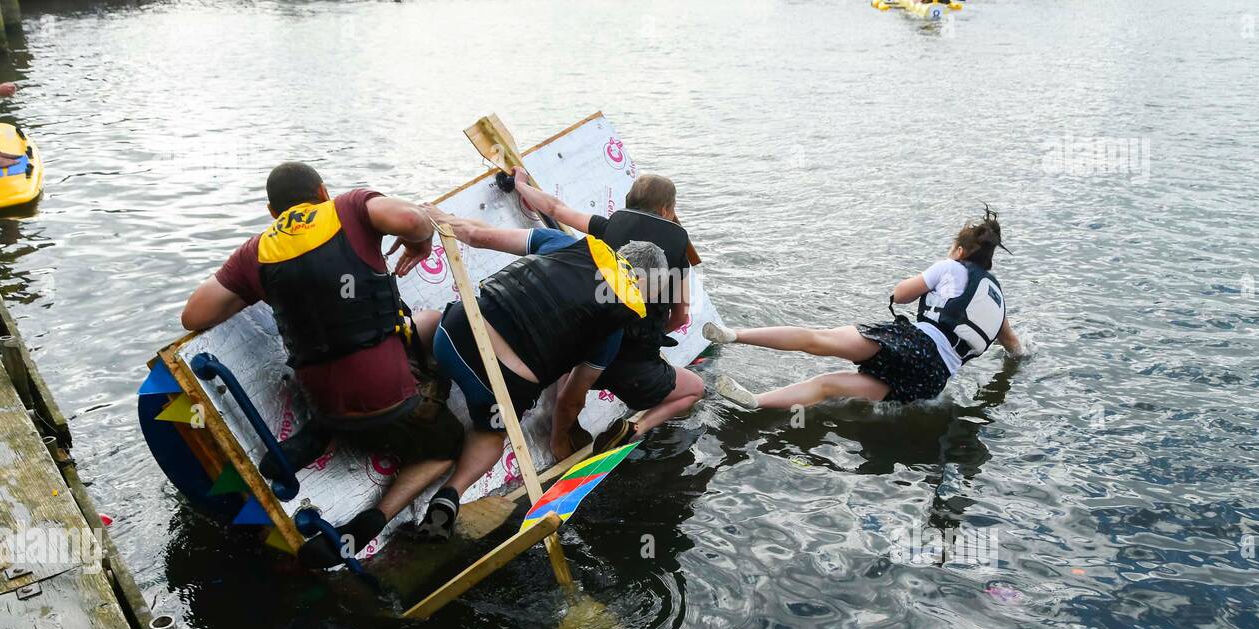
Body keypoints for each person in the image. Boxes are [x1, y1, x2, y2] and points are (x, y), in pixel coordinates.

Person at [179, 163, 473, 567]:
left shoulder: (256, 251)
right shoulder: (348, 207)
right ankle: (377, 516)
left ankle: (323, 430)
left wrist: (252, 287)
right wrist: (420, 244)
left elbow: (194, 315)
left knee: (357, 347)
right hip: (391, 405)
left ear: (271, 212)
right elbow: (410, 219)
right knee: (447, 443)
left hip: (327, 403)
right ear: (322, 190)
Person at [428, 218, 663, 510]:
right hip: (500, 389)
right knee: (491, 436)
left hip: (456, 336)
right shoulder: (613, 328)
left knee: (431, 320)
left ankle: (404, 361)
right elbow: (570, 400)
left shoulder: (566, 242)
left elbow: (476, 234)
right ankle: (451, 493)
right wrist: (559, 442)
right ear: (643, 288)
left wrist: (435, 217)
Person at [704, 207, 1024, 412]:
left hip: (914, 344)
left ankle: (733, 335)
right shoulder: (996, 298)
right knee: (827, 387)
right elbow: (1012, 345)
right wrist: (1019, 361)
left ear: (959, 250)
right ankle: (757, 401)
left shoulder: (951, 267)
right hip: (931, 379)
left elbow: (900, 295)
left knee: (818, 341)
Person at [503, 169, 705, 455]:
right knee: (695, 388)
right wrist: (652, 338)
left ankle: (560, 433)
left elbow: (554, 209)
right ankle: (634, 429)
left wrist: (519, 184)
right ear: (666, 210)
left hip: (589, 352)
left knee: (572, 367)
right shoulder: (677, 256)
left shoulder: (609, 227)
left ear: (628, 201)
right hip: (635, 369)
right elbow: (680, 317)